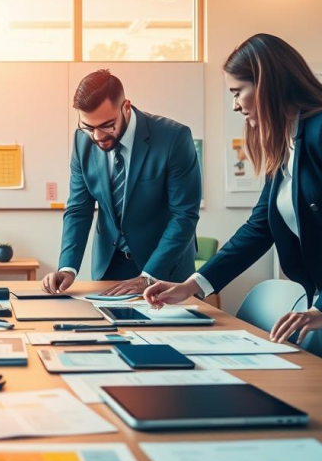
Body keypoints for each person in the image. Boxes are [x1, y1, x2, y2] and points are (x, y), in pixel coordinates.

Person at [145, 33, 322, 344]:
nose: (234, 105)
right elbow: (259, 228)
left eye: (237, 92)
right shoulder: (286, 139)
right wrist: (194, 284)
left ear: (266, 83)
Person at [42, 69, 202, 296]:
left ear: (126, 107)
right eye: (89, 127)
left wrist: (148, 277)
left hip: (164, 271)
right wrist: (68, 267)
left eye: (107, 125)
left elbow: (184, 216)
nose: (97, 136)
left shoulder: (173, 138)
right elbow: (79, 209)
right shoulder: (82, 141)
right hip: (110, 268)